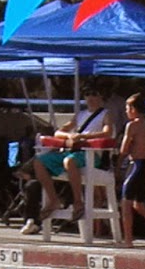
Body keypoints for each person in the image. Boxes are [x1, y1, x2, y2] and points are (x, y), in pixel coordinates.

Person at [21, 87, 114, 233]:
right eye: (88, 94)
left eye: (94, 94)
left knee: (69, 162)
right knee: (39, 161)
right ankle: (53, 200)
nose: (90, 97)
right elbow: (59, 132)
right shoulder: (80, 115)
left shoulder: (105, 114)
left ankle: (78, 201)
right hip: (74, 150)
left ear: (101, 97)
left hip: (92, 155)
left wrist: (83, 137)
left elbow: (107, 133)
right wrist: (70, 137)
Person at [117, 94, 145, 245]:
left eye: (128, 108)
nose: (127, 111)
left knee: (126, 202)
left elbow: (124, 148)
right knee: (139, 204)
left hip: (136, 165)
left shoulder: (133, 125)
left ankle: (128, 239)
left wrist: (117, 165)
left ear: (134, 109)